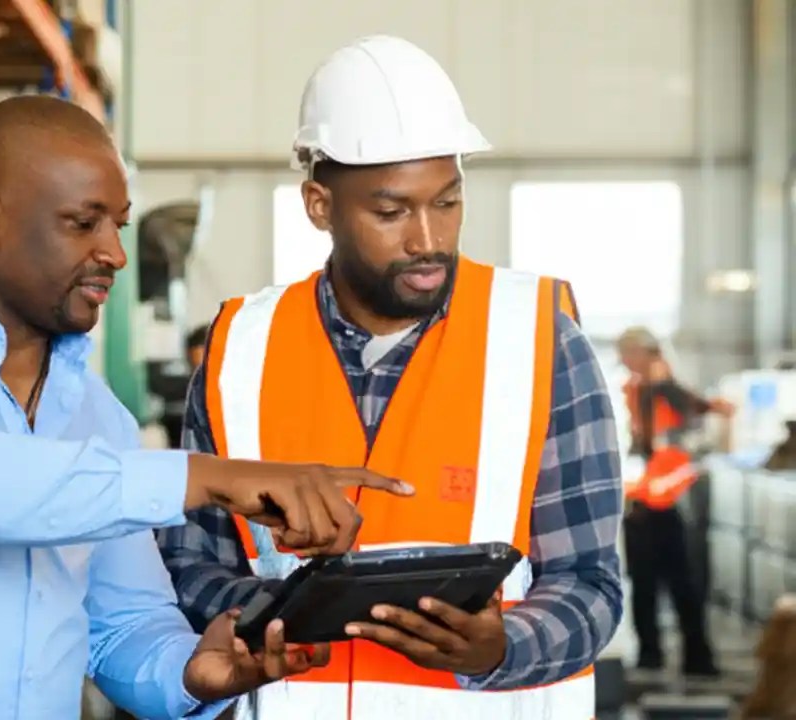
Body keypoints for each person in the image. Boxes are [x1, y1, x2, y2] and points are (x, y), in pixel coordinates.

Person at [0, 95, 413, 720]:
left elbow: (122, 623)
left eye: (118, 225)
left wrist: (190, 671)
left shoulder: (98, 418)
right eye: (83, 223)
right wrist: (206, 476)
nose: (116, 254)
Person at [156, 35, 625, 718]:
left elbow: (592, 585)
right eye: (391, 211)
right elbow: (190, 563)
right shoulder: (239, 347)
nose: (428, 240)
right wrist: (280, 614)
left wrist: (498, 647)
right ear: (319, 205)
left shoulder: (541, 339)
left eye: (447, 202)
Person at [617, 326, 732, 676]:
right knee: (646, 584)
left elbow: (687, 441)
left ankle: (696, 658)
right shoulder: (639, 391)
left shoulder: (666, 392)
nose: (623, 362)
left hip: (666, 504)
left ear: (646, 353)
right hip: (644, 501)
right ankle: (653, 655)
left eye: (628, 354)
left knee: (682, 583)